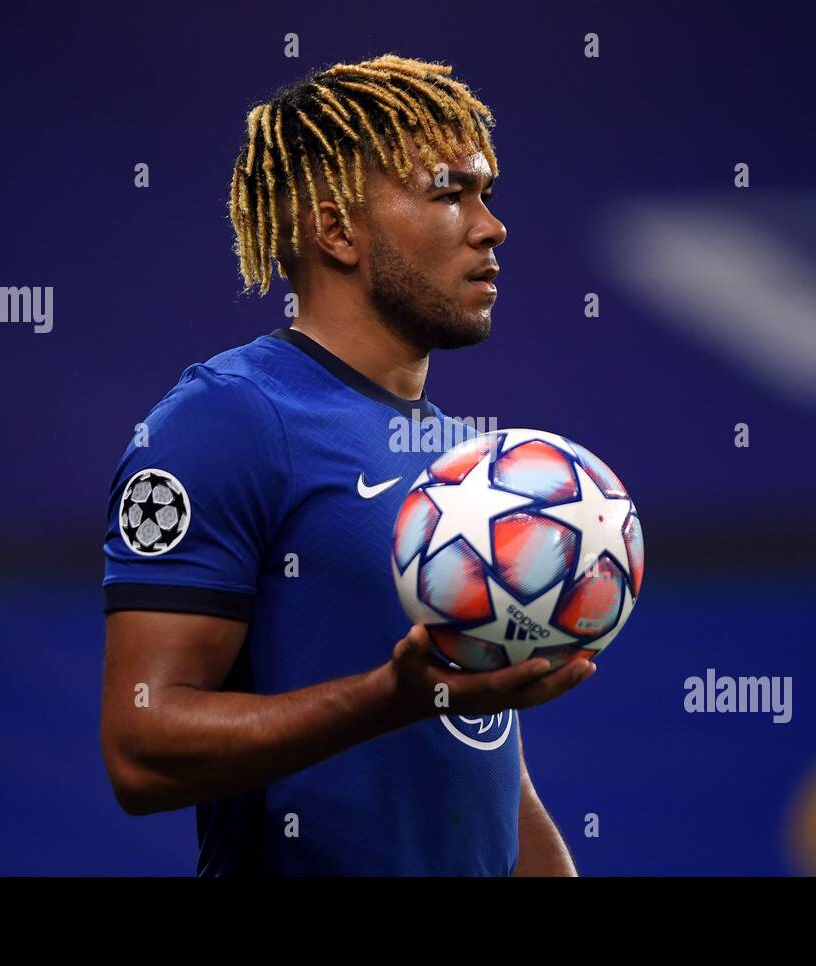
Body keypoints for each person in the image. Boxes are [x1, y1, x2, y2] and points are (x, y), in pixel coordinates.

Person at [99, 53, 595, 876]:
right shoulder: (227, 421)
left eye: (487, 194)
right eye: (448, 193)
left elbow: (486, 769)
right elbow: (140, 750)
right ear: (337, 230)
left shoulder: (460, 465)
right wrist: (388, 699)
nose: (491, 225)